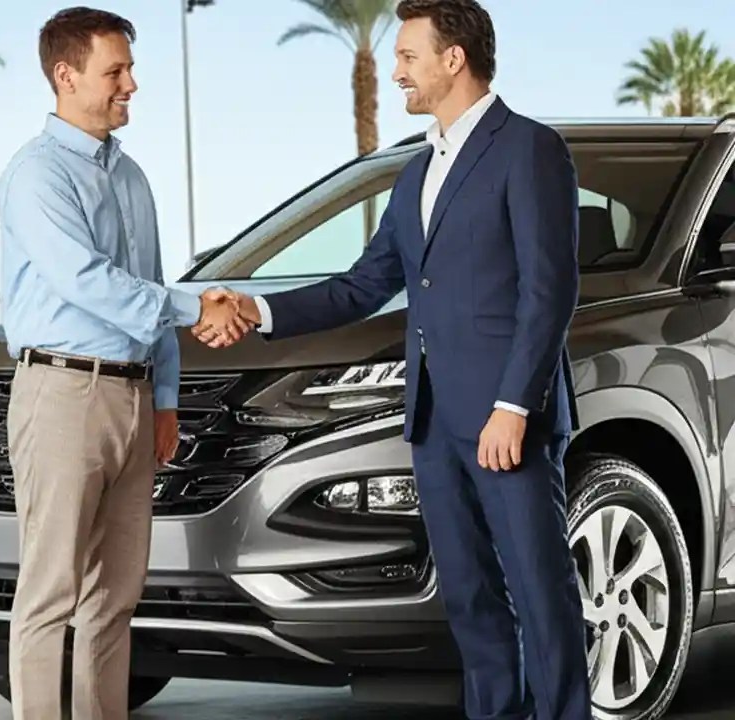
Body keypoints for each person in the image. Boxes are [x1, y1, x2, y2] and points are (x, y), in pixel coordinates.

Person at [195, 1, 591, 718]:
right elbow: (362, 286)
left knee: (540, 589)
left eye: (408, 55)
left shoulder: (529, 149)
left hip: (509, 421)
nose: (396, 69)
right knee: (469, 597)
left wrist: (514, 406)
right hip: (433, 424)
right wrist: (259, 310)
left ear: (453, 59)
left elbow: (549, 290)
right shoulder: (416, 173)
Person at [0, 7, 250, 720]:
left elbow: (149, 282)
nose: (130, 84)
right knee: (50, 591)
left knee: (116, 596)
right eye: (116, 71)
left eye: (130, 69)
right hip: (62, 395)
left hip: (133, 403)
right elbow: (89, 282)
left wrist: (165, 398)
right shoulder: (35, 176)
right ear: (65, 75)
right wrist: (199, 306)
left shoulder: (132, 177)